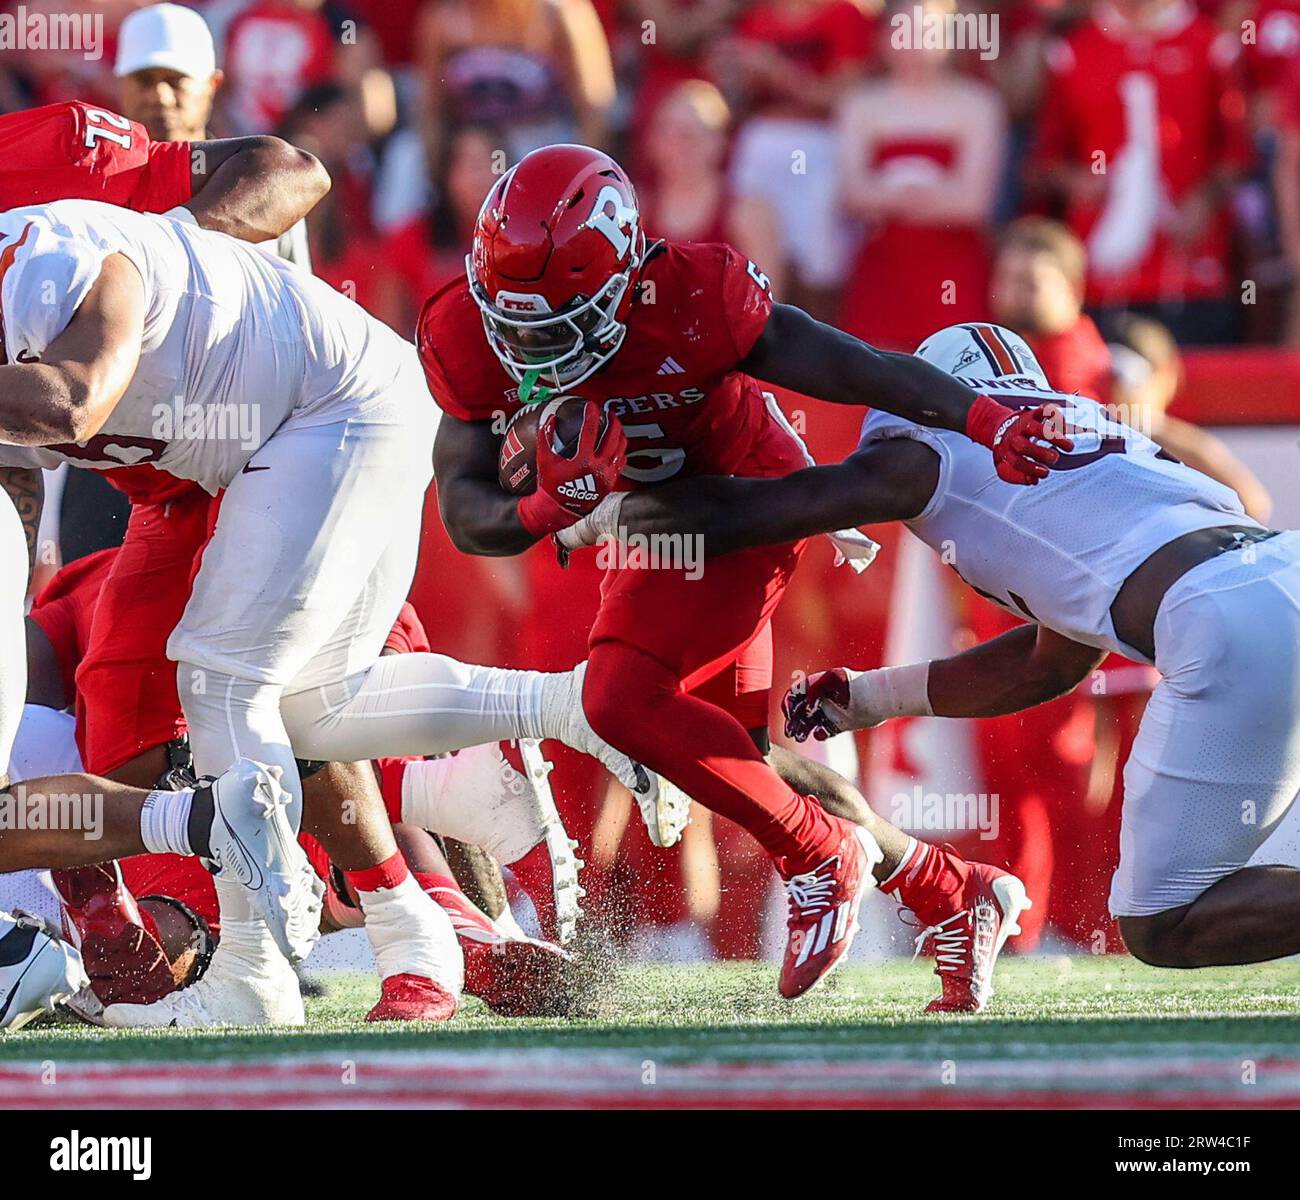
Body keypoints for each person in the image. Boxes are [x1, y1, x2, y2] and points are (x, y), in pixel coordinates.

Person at [419, 144, 1069, 1000]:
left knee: (619, 697)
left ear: (623, 282)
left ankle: (818, 853)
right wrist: (547, 509)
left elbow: (853, 365)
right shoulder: (468, 328)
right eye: (510, 316)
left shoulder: (694, 297)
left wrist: (983, 416)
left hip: (738, 502)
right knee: (743, 756)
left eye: (553, 321)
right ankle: (949, 888)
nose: (525, 346)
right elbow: (468, 514)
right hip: (649, 525)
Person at [561, 321, 1300, 979]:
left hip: (1220, 622)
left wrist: (602, 515)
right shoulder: (1086, 429)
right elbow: (1046, 663)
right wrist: (875, 696)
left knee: (1161, 923)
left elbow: (773, 508)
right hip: (1276, 576)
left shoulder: (928, 450)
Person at [836, 0, 1007, 351]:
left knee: (957, 367)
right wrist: (935, 193)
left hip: (954, 267)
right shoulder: (860, 104)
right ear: (883, 39)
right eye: (902, 32)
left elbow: (973, 204)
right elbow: (853, 196)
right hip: (883, 270)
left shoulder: (979, 103)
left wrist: (891, 195)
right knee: (878, 378)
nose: (913, 44)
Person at [990, 217, 1111, 401]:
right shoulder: (1016, 348)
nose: (1013, 292)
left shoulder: (1068, 364)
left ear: (1072, 288)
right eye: (1006, 278)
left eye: (1029, 282)